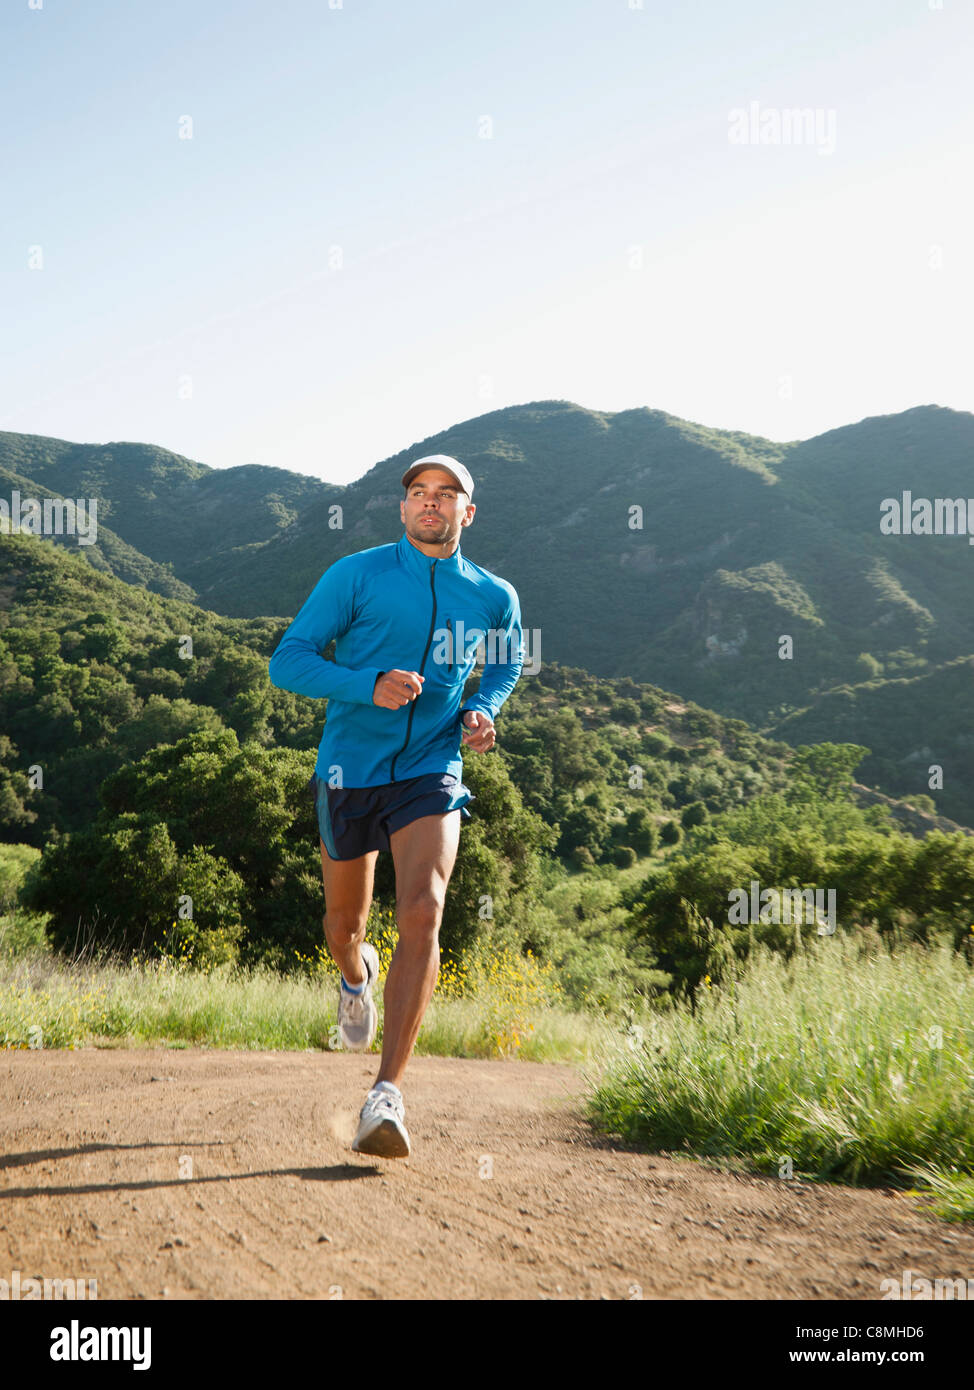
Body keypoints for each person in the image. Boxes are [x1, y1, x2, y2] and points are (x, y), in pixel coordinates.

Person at [268, 454, 523, 1157]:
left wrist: (481, 707)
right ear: (403, 509)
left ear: (468, 513)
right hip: (349, 769)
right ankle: (357, 978)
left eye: (446, 495)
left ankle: (385, 1096)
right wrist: (366, 683)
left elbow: (504, 661)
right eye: (418, 493)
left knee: (424, 907)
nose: (431, 504)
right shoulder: (356, 575)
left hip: (430, 768)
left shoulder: (493, 594)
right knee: (343, 927)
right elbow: (286, 661)